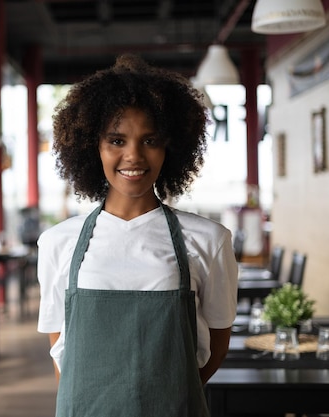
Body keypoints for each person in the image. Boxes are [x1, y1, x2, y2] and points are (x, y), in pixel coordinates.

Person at [36, 54, 239, 416]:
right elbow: (61, 352)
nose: (133, 155)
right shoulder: (57, 242)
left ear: (171, 147)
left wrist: (173, 396)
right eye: (116, 140)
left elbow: (217, 345)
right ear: (91, 146)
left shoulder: (209, 240)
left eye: (150, 140)